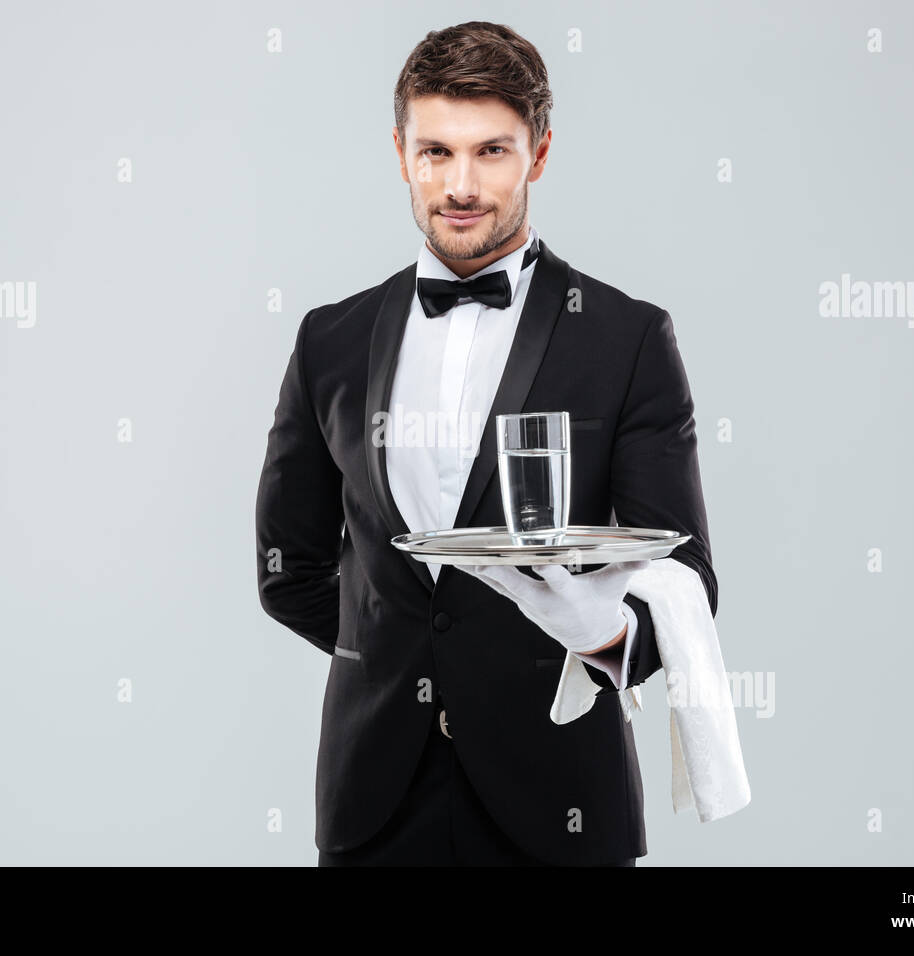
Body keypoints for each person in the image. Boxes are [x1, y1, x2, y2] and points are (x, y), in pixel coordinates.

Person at [254, 21, 717, 866]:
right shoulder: (331, 339)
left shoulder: (627, 338)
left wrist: (600, 634)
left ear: (537, 154)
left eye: (491, 152)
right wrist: (400, 653)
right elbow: (288, 570)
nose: (460, 185)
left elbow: (686, 581)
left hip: (562, 803)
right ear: (400, 153)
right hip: (372, 805)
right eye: (435, 152)